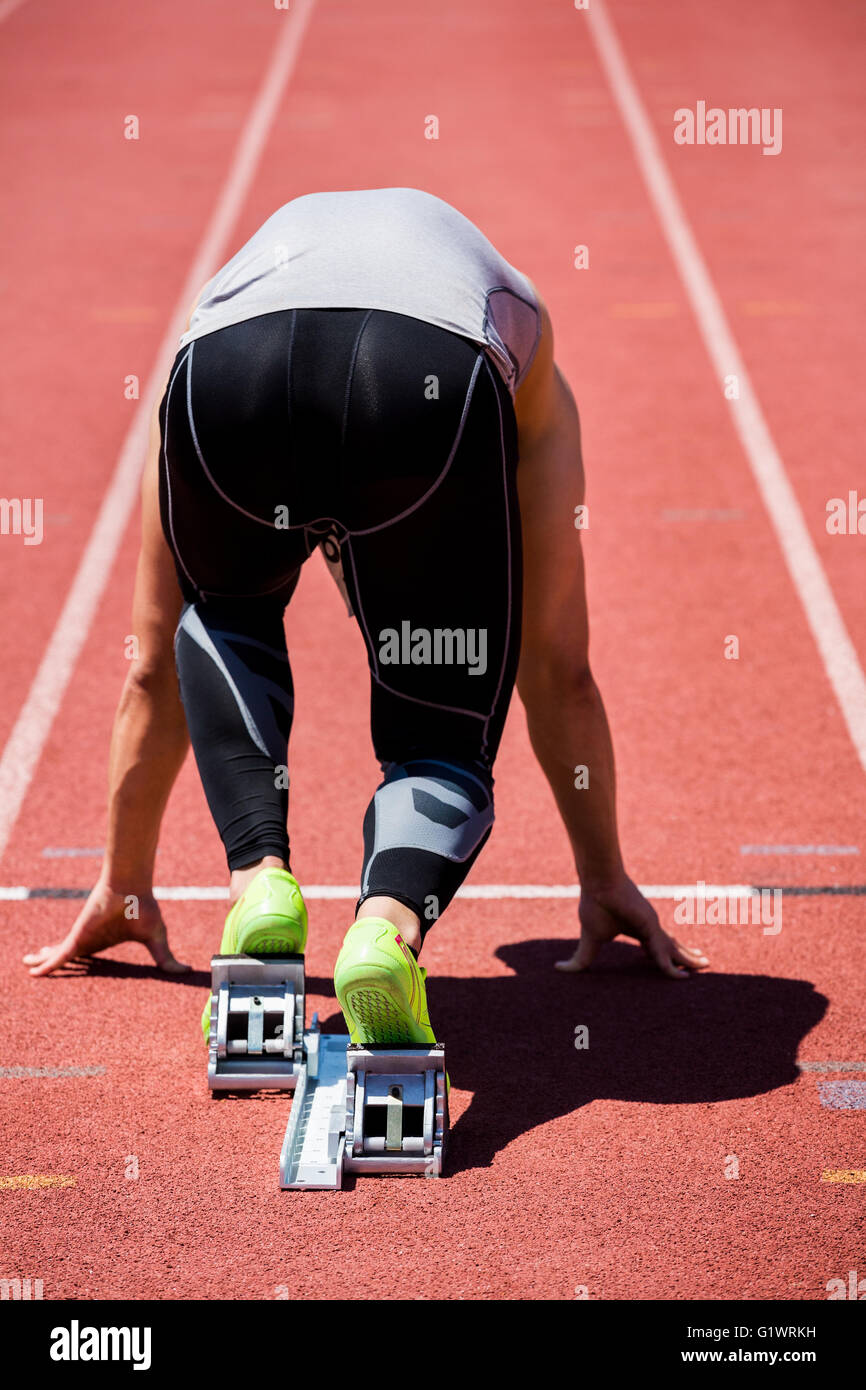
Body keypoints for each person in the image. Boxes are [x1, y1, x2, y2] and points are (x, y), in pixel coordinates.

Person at [23, 187, 708, 1039]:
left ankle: (259, 880)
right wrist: (602, 873)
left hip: (221, 374)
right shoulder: (535, 367)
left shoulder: (222, 303)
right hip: (420, 371)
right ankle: (384, 929)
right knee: (440, 742)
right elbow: (556, 665)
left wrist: (127, 882)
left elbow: (156, 662)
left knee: (225, 620)